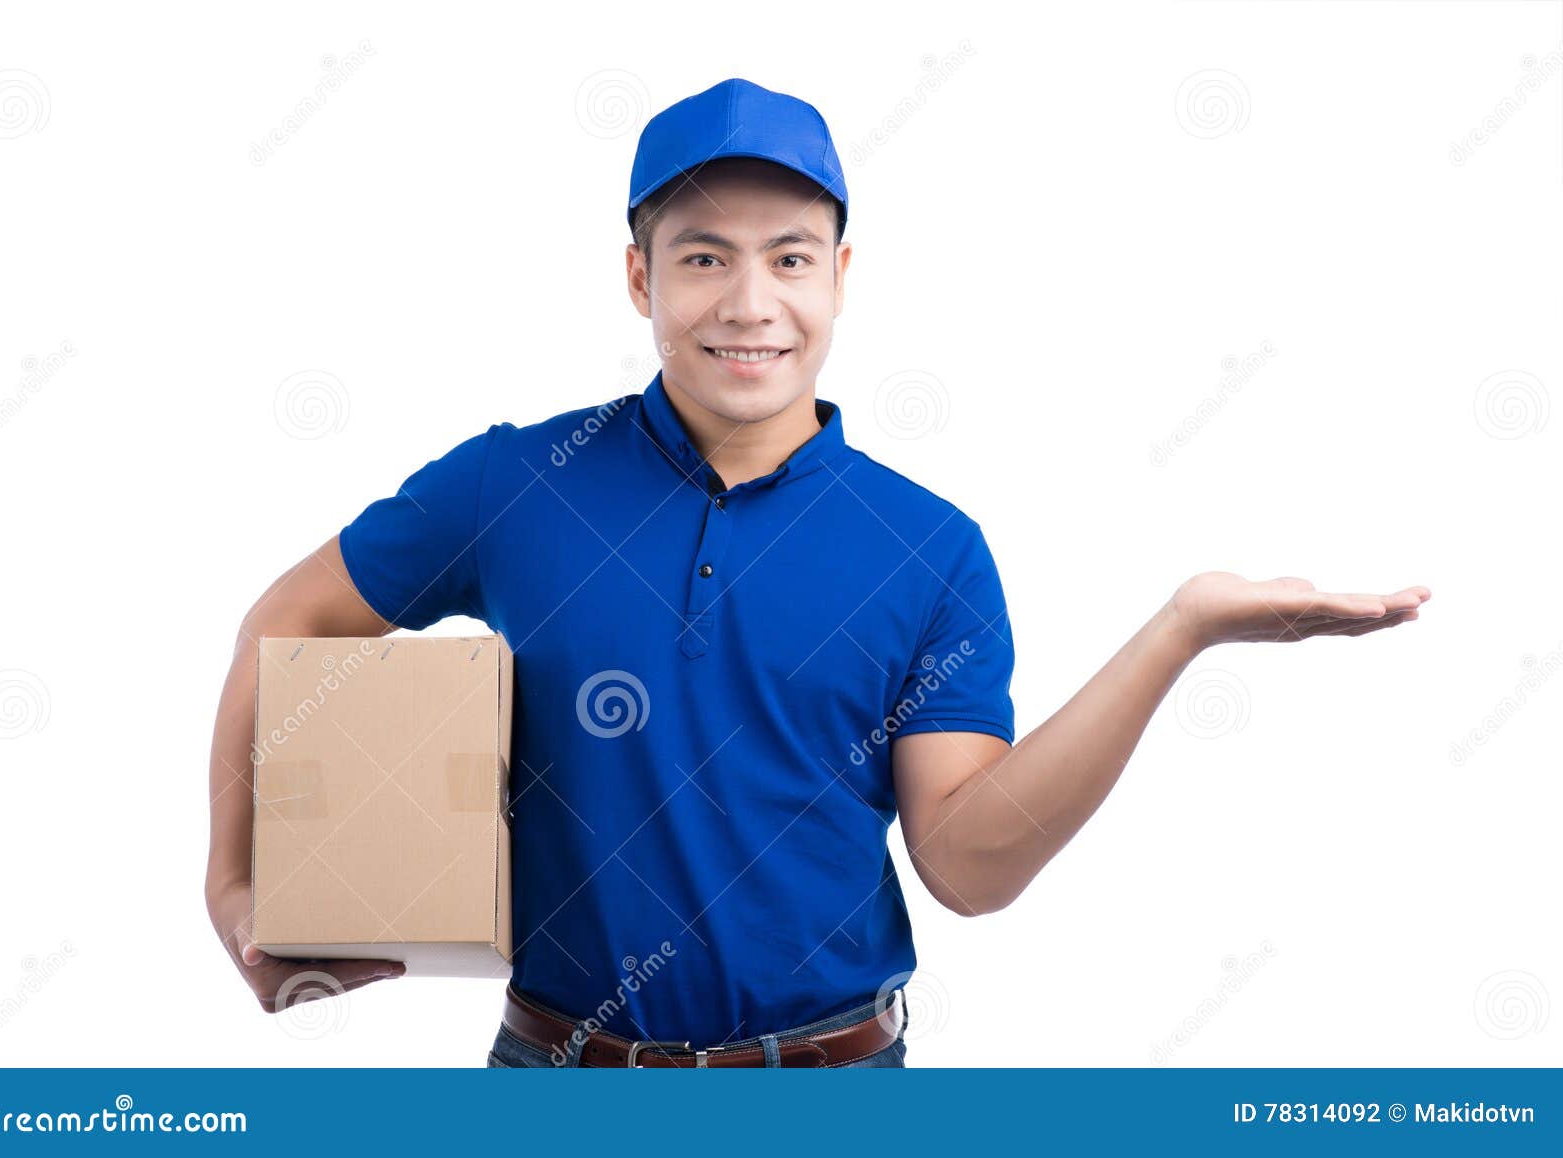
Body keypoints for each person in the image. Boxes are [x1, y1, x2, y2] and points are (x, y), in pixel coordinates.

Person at [205, 77, 1430, 1068]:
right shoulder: (515, 485)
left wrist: (1179, 630)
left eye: (789, 260)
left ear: (842, 275)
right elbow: (291, 619)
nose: (750, 305)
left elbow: (968, 867)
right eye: (703, 259)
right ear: (638, 277)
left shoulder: (928, 547)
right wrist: (237, 880)